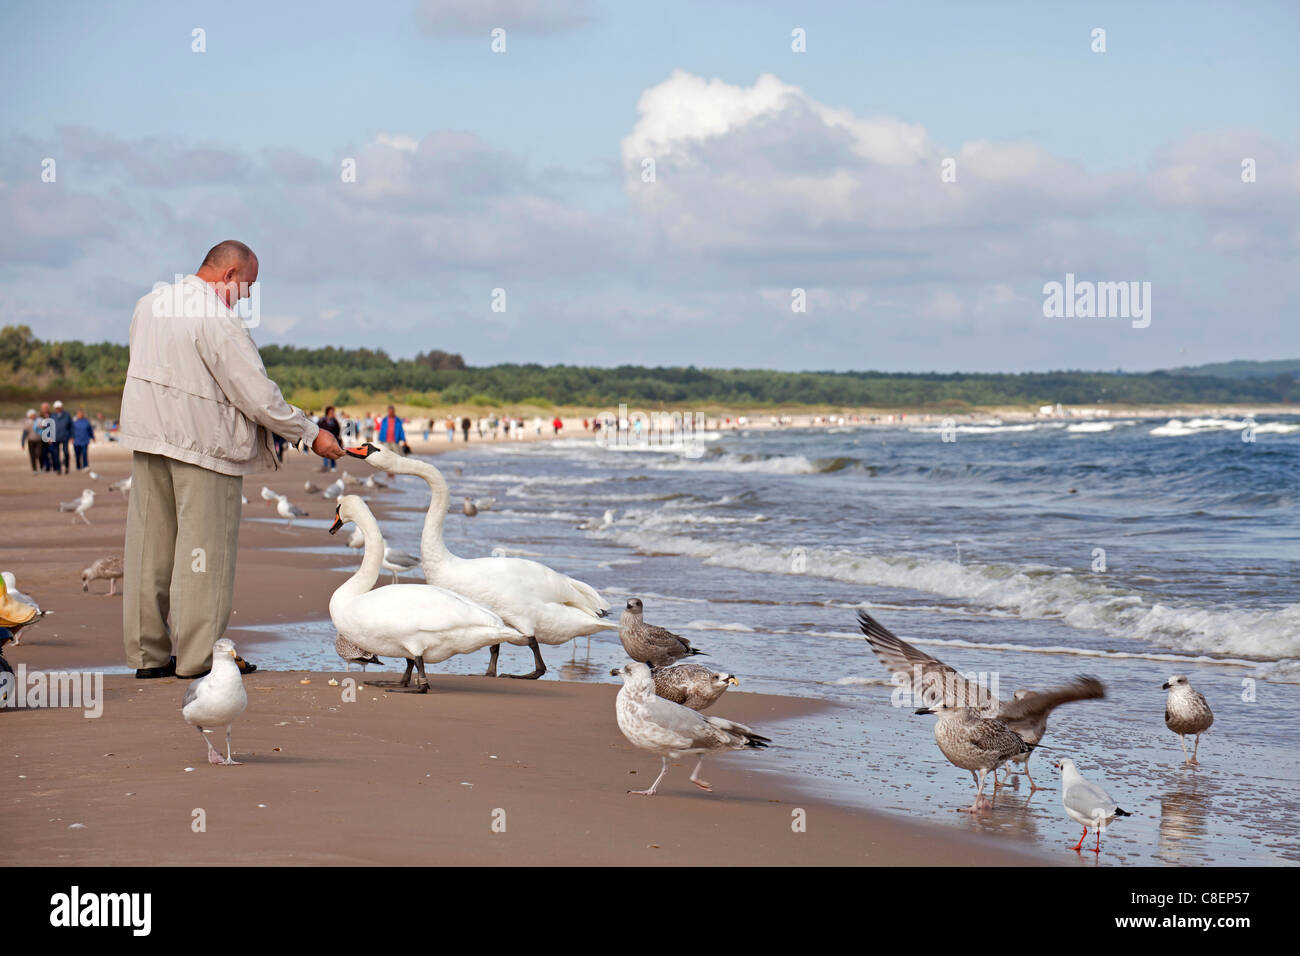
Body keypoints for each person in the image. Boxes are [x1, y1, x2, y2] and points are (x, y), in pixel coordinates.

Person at [118, 240, 343, 680]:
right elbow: (257, 395)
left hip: (148, 439)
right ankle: (198, 659)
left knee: (149, 552)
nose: (247, 297)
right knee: (204, 557)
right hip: (205, 446)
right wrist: (310, 434)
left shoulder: (149, 304)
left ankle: (147, 656)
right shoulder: (217, 319)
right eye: (248, 286)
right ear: (229, 275)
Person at [36, 402, 59, 473]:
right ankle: (47, 467)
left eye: (46, 408)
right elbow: (36, 426)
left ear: (49, 408)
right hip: (42, 438)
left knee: (53, 453)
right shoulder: (39, 416)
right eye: (43, 408)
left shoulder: (53, 415)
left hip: (52, 437)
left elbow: (55, 425)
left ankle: (55, 467)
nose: (44, 409)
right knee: (44, 453)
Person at [316, 406, 342, 470]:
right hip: (324, 440)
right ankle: (325, 465)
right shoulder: (322, 420)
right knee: (325, 453)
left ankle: (333, 466)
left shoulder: (334, 421)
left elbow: (338, 429)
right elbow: (317, 428)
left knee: (332, 453)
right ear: (328, 412)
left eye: (333, 411)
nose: (332, 413)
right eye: (331, 411)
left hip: (333, 439)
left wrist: (338, 438)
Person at [51, 400, 74, 472]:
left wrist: (72, 436)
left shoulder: (67, 415)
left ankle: (66, 466)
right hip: (55, 437)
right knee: (56, 454)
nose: (57, 409)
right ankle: (58, 468)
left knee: (66, 452)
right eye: (56, 408)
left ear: (61, 407)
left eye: (59, 407)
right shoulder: (52, 415)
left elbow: (71, 426)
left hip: (65, 437)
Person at [20, 409, 42, 474]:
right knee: (32, 456)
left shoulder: (39, 421)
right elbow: (24, 434)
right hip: (31, 441)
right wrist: (22, 444)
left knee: (39, 454)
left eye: (34, 415)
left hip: (39, 440)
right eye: (31, 415)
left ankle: (41, 467)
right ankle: (34, 469)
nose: (33, 416)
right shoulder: (27, 423)